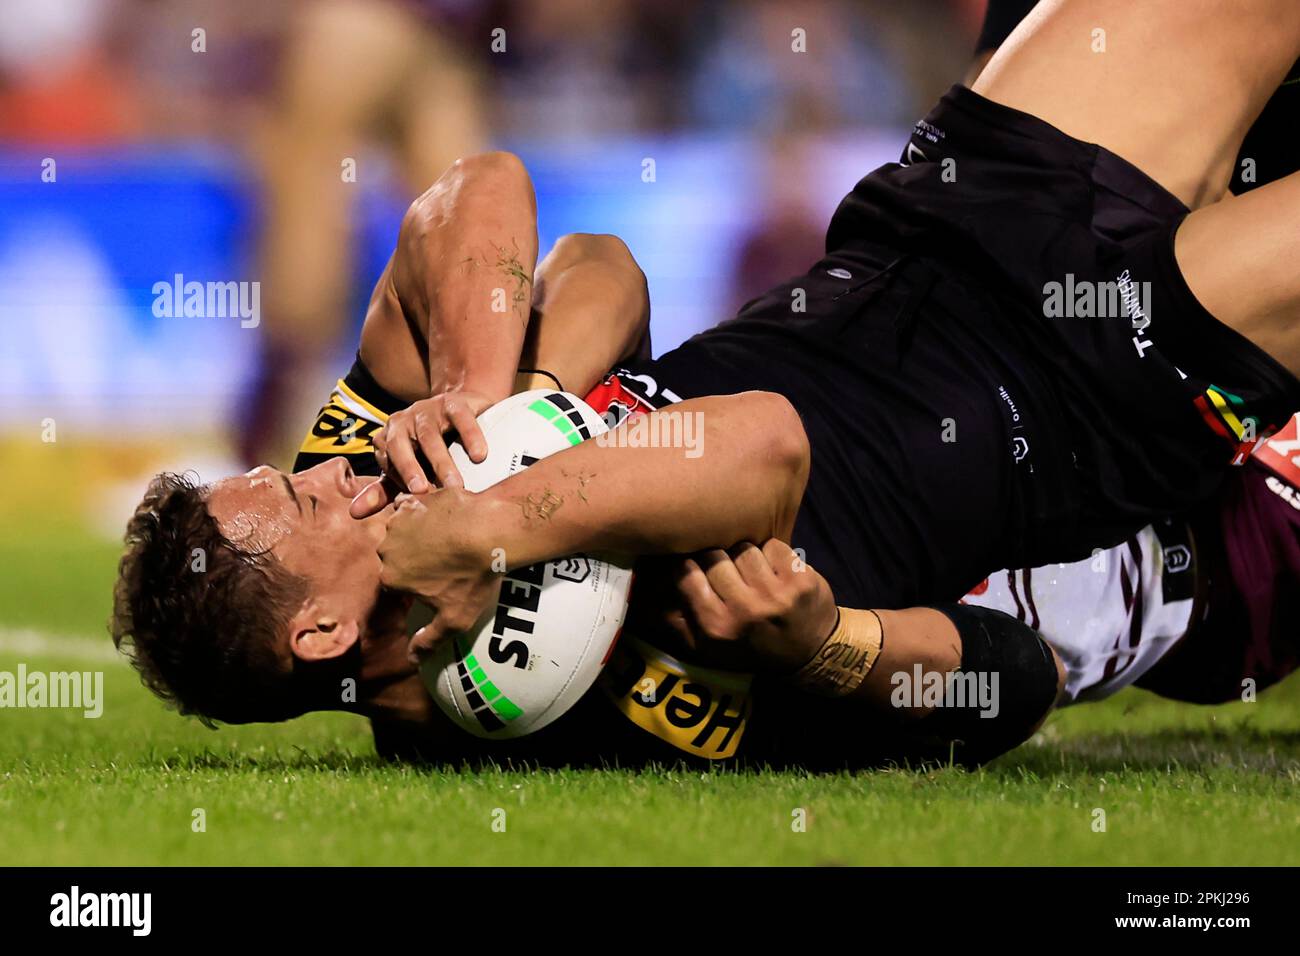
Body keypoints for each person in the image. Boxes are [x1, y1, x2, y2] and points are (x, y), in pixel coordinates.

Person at [113, 0, 1300, 766]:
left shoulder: (398, 466)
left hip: (940, 222)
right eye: (307, 506)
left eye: (305, 473)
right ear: (322, 628)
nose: (336, 478)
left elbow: (525, 221)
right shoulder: (552, 696)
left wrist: (491, 400)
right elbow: (768, 451)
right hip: (1092, 389)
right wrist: (829, 643)